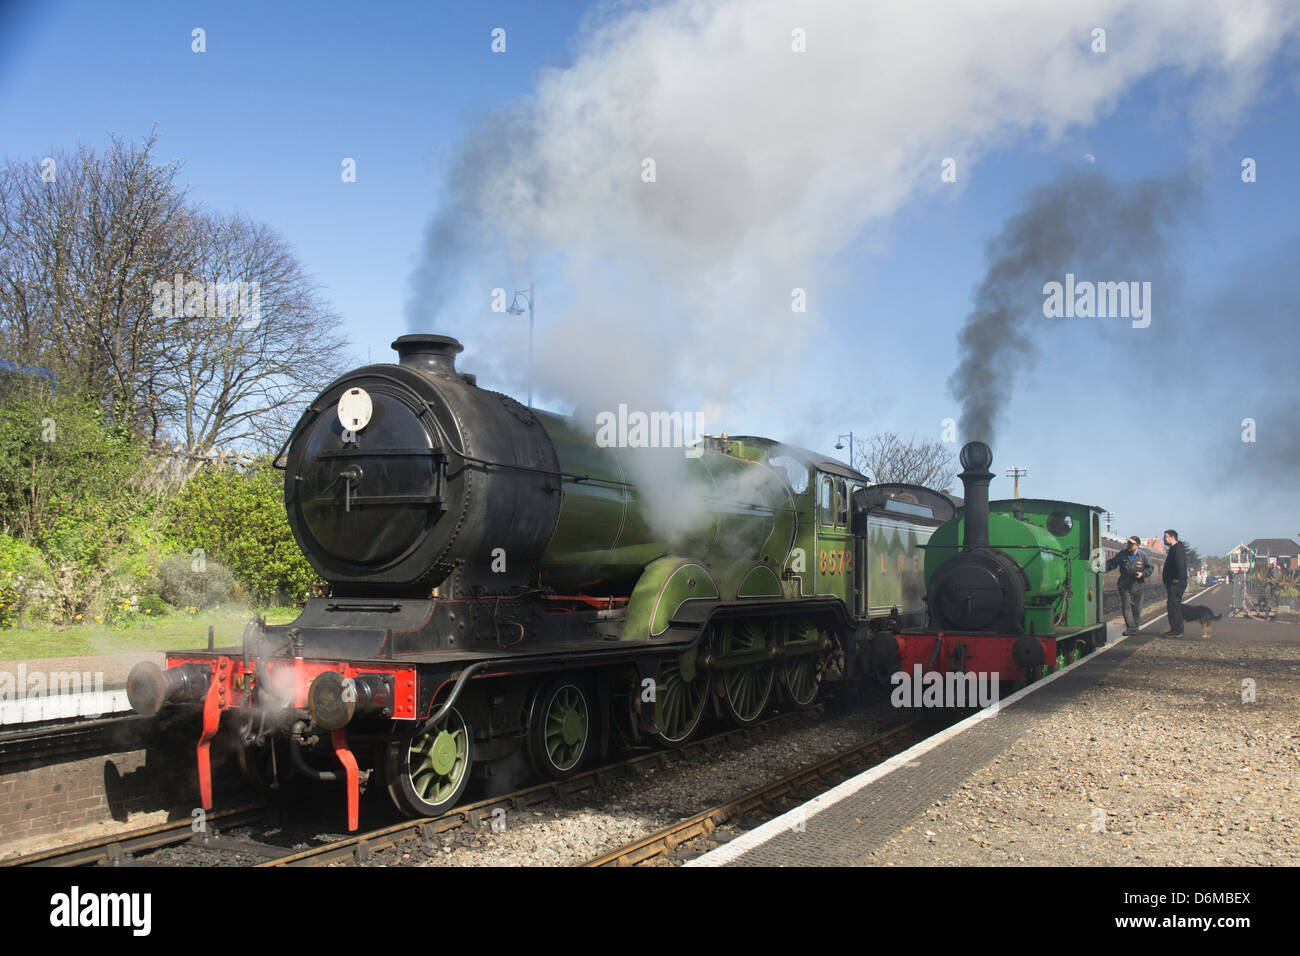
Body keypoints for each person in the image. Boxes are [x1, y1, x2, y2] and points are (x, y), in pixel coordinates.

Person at [1106, 535, 1150, 635]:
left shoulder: (1143, 555)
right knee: (1127, 607)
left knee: (1137, 608)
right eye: (1128, 543)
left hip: (1138, 584)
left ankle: (1135, 627)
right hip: (1125, 584)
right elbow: (1112, 563)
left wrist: (1143, 574)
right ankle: (1130, 628)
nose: (1129, 545)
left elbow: (1150, 568)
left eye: (1131, 544)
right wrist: (1099, 568)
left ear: (1137, 545)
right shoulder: (1122, 554)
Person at [1161, 529, 1188, 636]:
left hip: (1176, 583)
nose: (1164, 539)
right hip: (1173, 582)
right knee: (1172, 605)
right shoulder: (1174, 549)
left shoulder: (1178, 549)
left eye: (1165, 537)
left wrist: (1177, 578)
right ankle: (1175, 629)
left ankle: (1177, 630)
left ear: (1172, 537)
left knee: (1174, 606)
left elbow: (1180, 564)